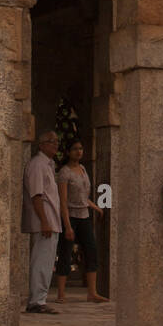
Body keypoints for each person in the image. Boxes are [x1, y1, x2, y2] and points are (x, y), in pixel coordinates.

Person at [56, 139, 108, 303]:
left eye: (80, 148)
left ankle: (92, 292)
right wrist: (68, 225)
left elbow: (84, 197)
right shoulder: (64, 172)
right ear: (68, 152)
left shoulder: (83, 169)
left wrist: (96, 207)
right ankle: (61, 293)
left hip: (84, 215)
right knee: (65, 252)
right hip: (70, 216)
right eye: (75, 149)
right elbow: (63, 201)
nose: (79, 152)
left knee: (91, 251)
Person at [21, 131, 67, 315]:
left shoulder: (48, 165)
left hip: (51, 220)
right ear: (41, 145)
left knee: (47, 262)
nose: (55, 145)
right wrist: (44, 222)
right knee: (41, 261)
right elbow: (36, 195)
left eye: (57, 141)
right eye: (51, 142)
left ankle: (40, 298)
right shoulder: (37, 165)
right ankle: (36, 301)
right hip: (44, 221)